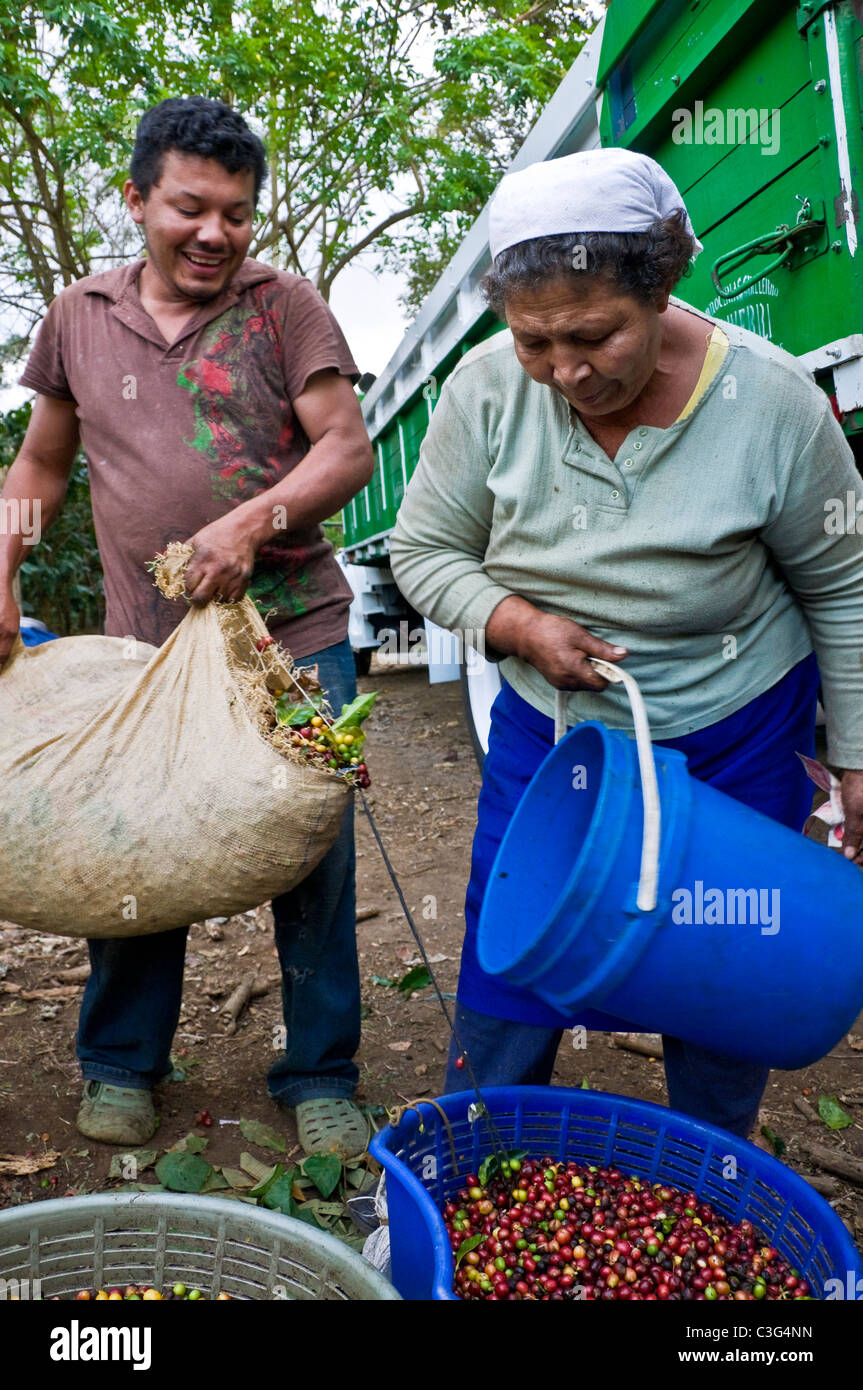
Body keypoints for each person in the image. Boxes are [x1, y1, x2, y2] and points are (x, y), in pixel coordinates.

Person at [389, 147, 863, 1139]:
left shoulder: (769, 404)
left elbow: (842, 584)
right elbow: (422, 555)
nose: (562, 371)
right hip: (554, 733)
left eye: (592, 335)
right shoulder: (483, 395)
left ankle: (714, 1173)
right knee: (510, 950)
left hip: (731, 730)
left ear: (662, 283)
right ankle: (471, 1156)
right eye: (532, 342)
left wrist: (854, 759)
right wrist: (517, 624)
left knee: (728, 954)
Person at [0, 97, 374, 1158]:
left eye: (238, 215)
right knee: (132, 842)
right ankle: (120, 1061)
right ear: (137, 202)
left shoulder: (283, 308)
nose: (215, 234)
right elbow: (38, 465)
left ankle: (321, 1072)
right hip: (143, 653)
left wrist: (253, 522)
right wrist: (2, 561)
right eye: (190, 209)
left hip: (291, 639)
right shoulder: (77, 315)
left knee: (313, 858)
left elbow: (343, 448)